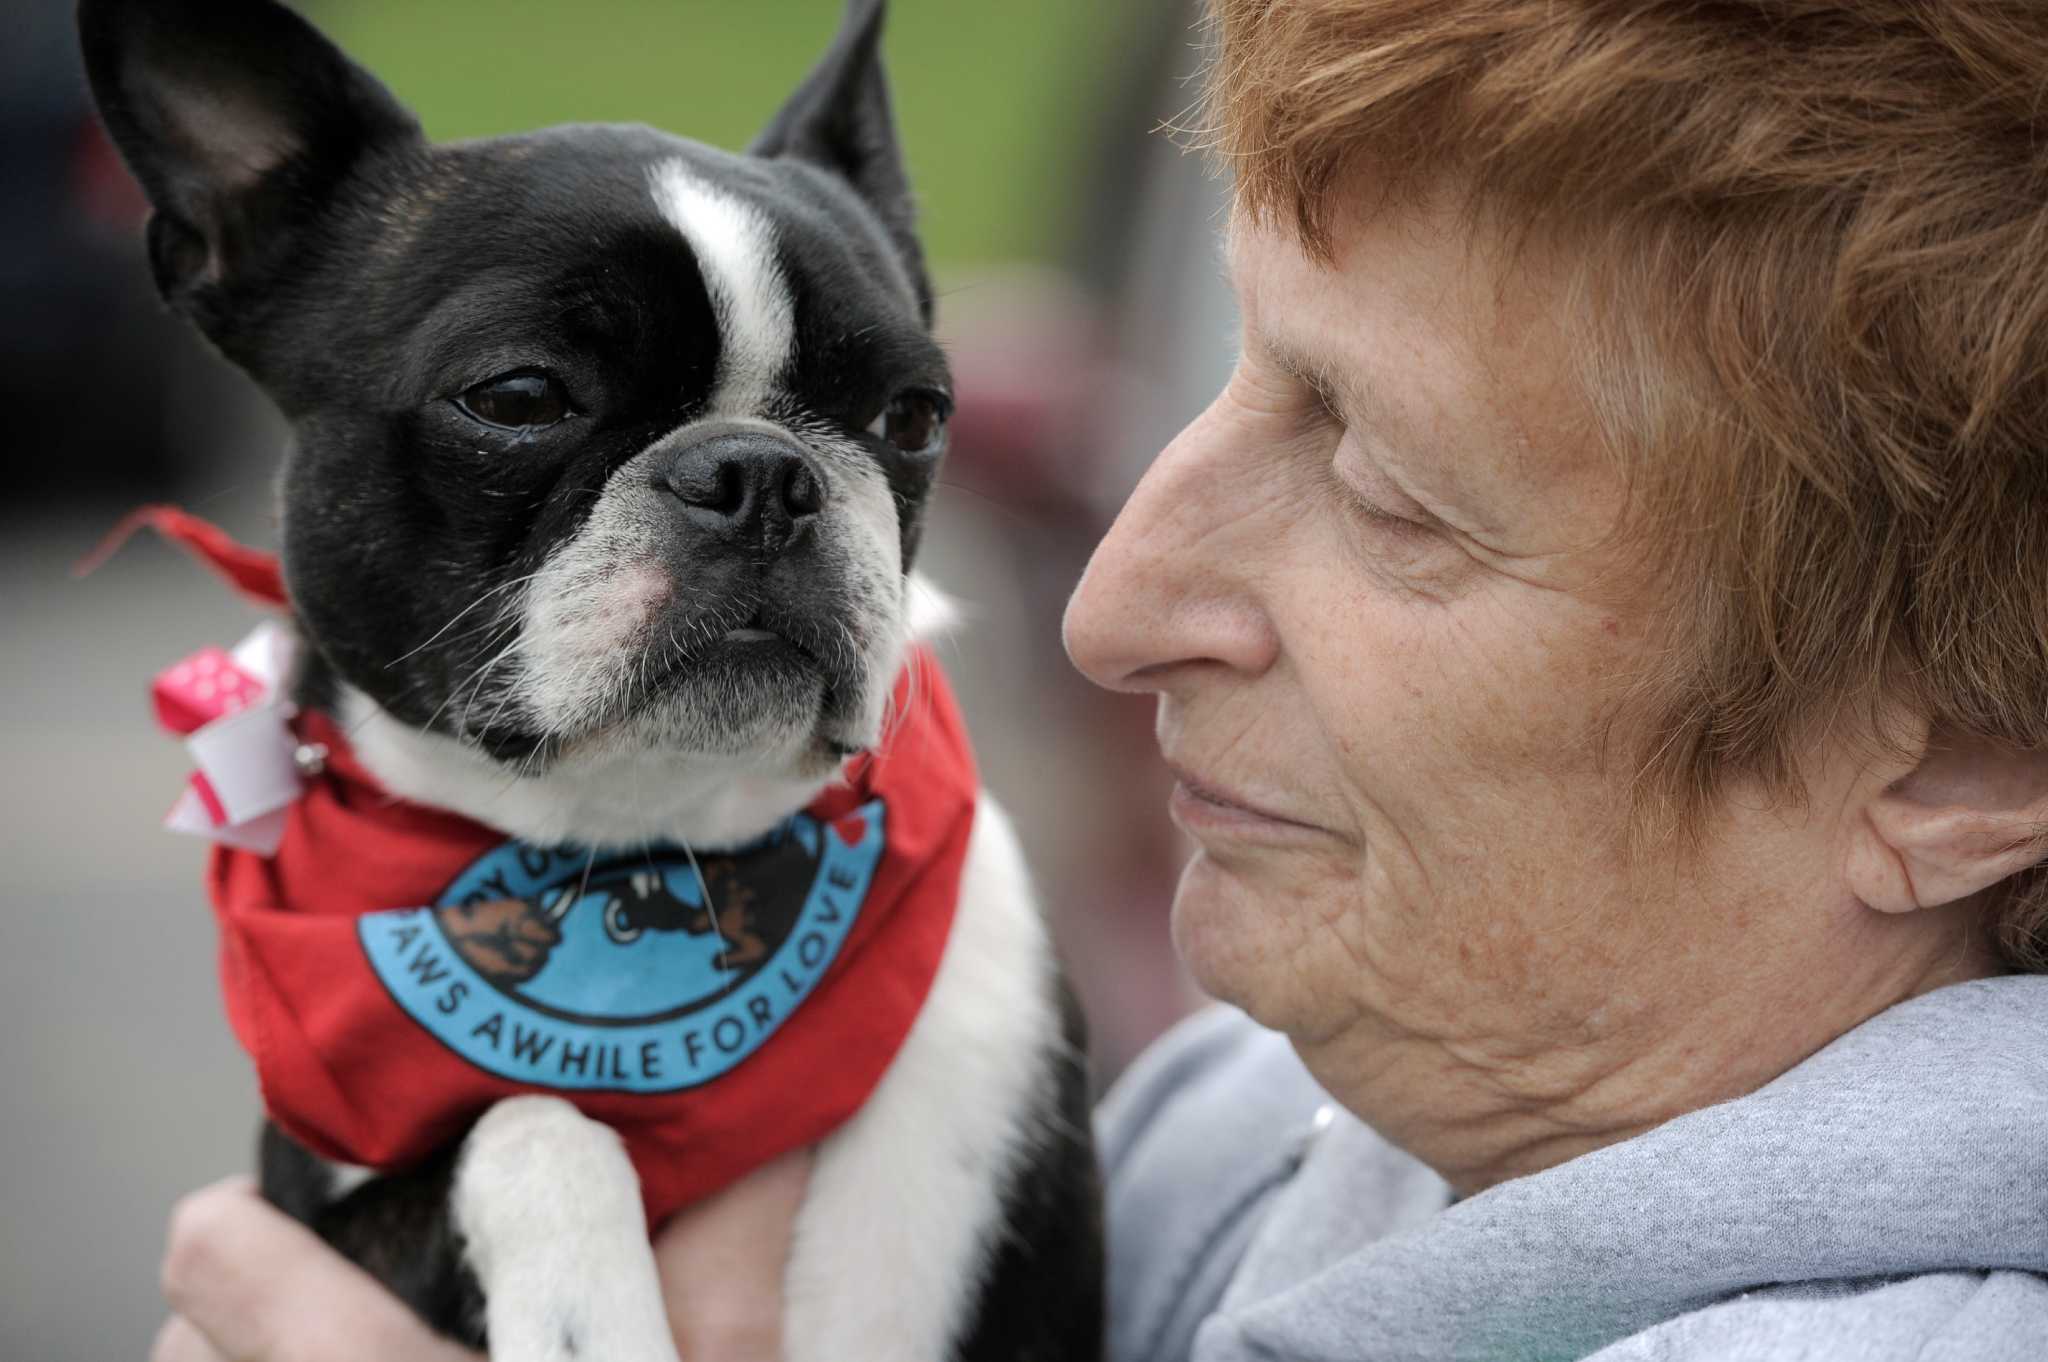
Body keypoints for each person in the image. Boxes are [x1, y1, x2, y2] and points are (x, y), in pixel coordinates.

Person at [152, 2, 2048, 1360]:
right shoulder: (1232, 1120)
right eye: (1219, 376)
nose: (1109, 601)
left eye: (1390, 488)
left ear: (1960, 752)